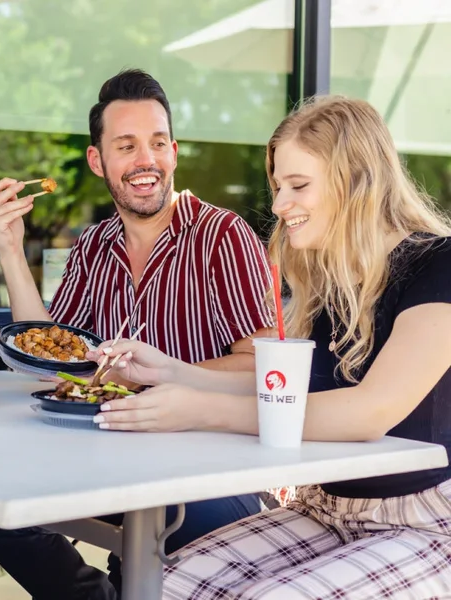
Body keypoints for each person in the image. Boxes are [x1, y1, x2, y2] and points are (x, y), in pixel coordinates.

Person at [90, 96, 451, 599]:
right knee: (161, 585)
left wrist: (201, 410)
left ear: (358, 181)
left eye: (298, 186)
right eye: (280, 186)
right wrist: (170, 372)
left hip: (426, 523)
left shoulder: (439, 264)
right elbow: (285, 381)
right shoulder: (332, 281)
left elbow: (369, 411)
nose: (280, 205)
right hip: (323, 508)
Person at [0, 69, 274, 599]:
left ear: (175, 152)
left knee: (143, 564)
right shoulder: (92, 245)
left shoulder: (223, 235)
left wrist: (173, 380)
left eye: (158, 143)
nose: (146, 161)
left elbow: (264, 369)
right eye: (127, 145)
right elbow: (52, 351)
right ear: (98, 162)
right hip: (113, 460)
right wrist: (11, 250)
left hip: (213, 472)